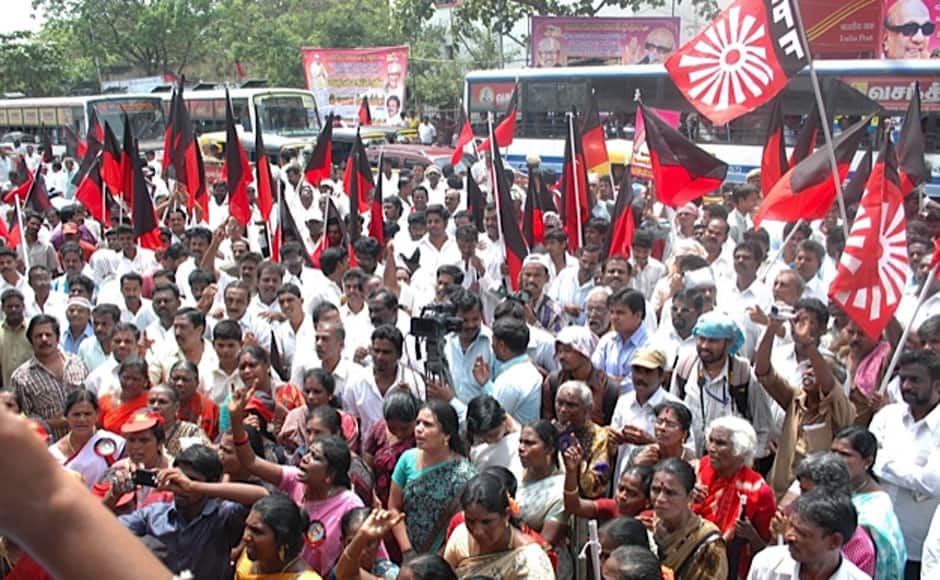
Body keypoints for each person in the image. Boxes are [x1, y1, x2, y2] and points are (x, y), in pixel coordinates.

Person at [0, 403, 172, 579]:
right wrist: (114, 494)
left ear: (159, 443)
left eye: (144, 440)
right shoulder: (116, 471)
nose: (136, 447)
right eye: (131, 440)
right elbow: (93, 515)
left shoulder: (176, 475)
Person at [229, 384, 364, 575]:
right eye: (308, 452)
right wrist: (236, 421)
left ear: (329, 476)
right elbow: (250, 461)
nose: (306, 458)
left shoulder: (349, 504)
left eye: (315, 457)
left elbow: (366, 556)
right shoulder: (295, 479)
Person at [756, 300, 855, 496]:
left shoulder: (840, 410)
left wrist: (808, 343)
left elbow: (828, 384)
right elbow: (763, 371)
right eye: (808, 367)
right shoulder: (795, 399)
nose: (809, 372)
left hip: (810, 500)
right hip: (775, 492)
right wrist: (771, 329)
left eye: (816, 369)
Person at [119, 444, 263, 579]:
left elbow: (261, 496)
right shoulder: (154, 514)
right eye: (179, 478)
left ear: (211, 483)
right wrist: (114, 494)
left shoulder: (224, 516)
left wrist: (193, 487)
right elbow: (109, 531)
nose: (182, 486)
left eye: (192, 479)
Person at [868, 350, 940, 579]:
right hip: (874, 538)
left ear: (937, 385)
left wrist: (883, 462)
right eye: (903, 378)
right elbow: (862, 462)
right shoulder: (887, 416)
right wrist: (912, 470)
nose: (906, 386)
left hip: (916, 549)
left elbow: (932, 483)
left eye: (915, 380)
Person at [671, 311, 774, 460]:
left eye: (713, 341)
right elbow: (674, 414)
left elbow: (763, 427)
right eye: (701, 339)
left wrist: (749, 462)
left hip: (730, 467)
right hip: (690, 462)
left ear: (729, 343)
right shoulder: (685, 367)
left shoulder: (743, 374)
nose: (705, 346)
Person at [389, 400, 476, 556]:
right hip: (407, 553)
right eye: (418, 423)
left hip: (446, 557)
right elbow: (394, 507)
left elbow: (466, 525)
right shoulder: (407, 459)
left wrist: (437, 559)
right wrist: (407, 551)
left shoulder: (465, 475)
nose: (419, 429)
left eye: (428, 425)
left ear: (446, 434)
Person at [693, 416, 776, 578]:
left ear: (740, 451)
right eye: (711, 441)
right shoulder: (699, 469)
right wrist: (687, 495)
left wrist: (751, 535)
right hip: (689, 559)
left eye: (720, 443)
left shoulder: (758, 491)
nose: (711, 448)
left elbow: (769, 551)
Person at [830, 426, 907, 580]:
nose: (835, 459)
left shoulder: (876, 508)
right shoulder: (831, 486)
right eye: (833, 451)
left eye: (845, 454)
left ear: (867, 461)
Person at [443, 473, 555, 578]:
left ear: (506, 515)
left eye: (486, 522)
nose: (478, 531)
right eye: (470, 521)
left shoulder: (530, 561)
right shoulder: (460, 537)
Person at [747, 490, 869, 580]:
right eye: (791, 525)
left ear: (835, 541)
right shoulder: (766, 564)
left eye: (802, 533)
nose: (789, 536)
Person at [11, 314, 89, 441]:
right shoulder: (21, 378)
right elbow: (26, 421)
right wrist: (54, 422)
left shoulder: (77, 363)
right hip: (49, 445)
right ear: (30, 341)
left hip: (85, 442)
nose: (44, 339)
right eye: (38, 336)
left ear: (57, 338)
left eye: (48, 335)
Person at [652, 458, 728, 579]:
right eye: (655, 490)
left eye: (670, 493)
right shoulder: (649, 526)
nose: (660, 498)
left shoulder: (708, 543)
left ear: (690, 497)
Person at [516, 420, 569, 574]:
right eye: (520, 441)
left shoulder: (560, 490)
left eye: (529, 443)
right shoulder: (515, 473)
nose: (521, 448)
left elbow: (546, 543)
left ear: (549, 449)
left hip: (543, 565)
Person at [471, 317, 541, 425]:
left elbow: (492, 419)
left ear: (502, 346)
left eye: (493, 342)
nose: (492, 347)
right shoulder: (529, 370)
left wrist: (450, 398)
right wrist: (486, 384)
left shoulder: (509, 381)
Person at [48, 390, 126, 488]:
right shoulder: (53, 454)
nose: (82, 419)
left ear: (97, 415)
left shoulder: (116, 444)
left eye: (87, 414)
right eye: (76, 414)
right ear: (66, 417)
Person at [543, 325, 617, 426]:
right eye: (559, 351)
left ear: (584, 351)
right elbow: (547, 421)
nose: (562, 357)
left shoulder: (608, 388)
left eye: (567, 351)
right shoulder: (554, 382)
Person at [235, 494, 322, 579]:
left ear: (283, 540)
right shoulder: (248, 558)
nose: (245, 537)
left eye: (257, 531)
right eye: (247, 526)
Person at [280, 368, 359, 456]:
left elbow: (347, 455)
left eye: (317, 392)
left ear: (330, 395)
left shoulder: (346, 421)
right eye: (307, 391)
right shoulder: (295, 416)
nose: (310, 397)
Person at [592, 288, 649, 391]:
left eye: (620, 313)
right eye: (612, 312)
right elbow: (594, 374)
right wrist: (615, 381)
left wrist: (608, 381)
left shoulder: (650, 344)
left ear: (638, 315)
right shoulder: (607, 341)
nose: (614, 317)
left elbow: (636, 385)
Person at [328, 507, 399, 580]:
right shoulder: (336, 575)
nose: (363, 551)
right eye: (353, 542)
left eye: (370, 543)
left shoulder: (389, 572)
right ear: (343, 544)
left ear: (379, 543)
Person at [467, 395, 523, 482]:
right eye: (482, 437)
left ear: (504, 421)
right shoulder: (477, 449)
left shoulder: (517, 441)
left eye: (493, 435)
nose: (488, 440)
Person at [146, 384, 210, 458]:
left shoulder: (191, 431)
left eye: (162, 402)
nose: (155, 406)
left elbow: (206, 458)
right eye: (151, 402)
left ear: (176, 406)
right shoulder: (140, 429)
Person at [97, 358, 151, 434]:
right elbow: (96, 427)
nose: (129, 383)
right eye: (126, 378)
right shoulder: (106, 400)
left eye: (135, 379)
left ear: (145, 381)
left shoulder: (151, 402)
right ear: (119, 376)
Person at [170, 359, 220, 441]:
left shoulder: (209, 408)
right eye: (175, 379)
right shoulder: (161, 405)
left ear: (197, 382)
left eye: (185, 380)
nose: (179, 383)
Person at [0, 289, 32, 389]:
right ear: (2, 308)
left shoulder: (33, 328)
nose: (14, 309)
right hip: (6, 390)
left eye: (17, 306)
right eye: (9, 307)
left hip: (32, 390)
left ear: (23, 307)